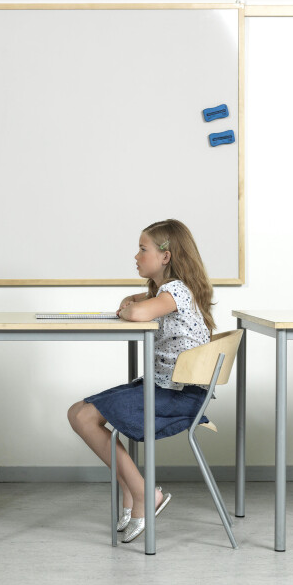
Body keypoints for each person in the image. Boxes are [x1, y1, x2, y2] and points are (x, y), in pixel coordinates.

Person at [66, 219, 215, 543]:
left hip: (181, 394)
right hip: (164, 385)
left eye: (142, 249)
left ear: (165, 256)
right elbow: (134, 305)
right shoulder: (166, 291)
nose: (136, 255)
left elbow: (134, 314)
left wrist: (131, 307)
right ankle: (133, 492)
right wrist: (133, 301)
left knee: (86, 416)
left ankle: (145, 494)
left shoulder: (176, 290)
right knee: (77, 412)